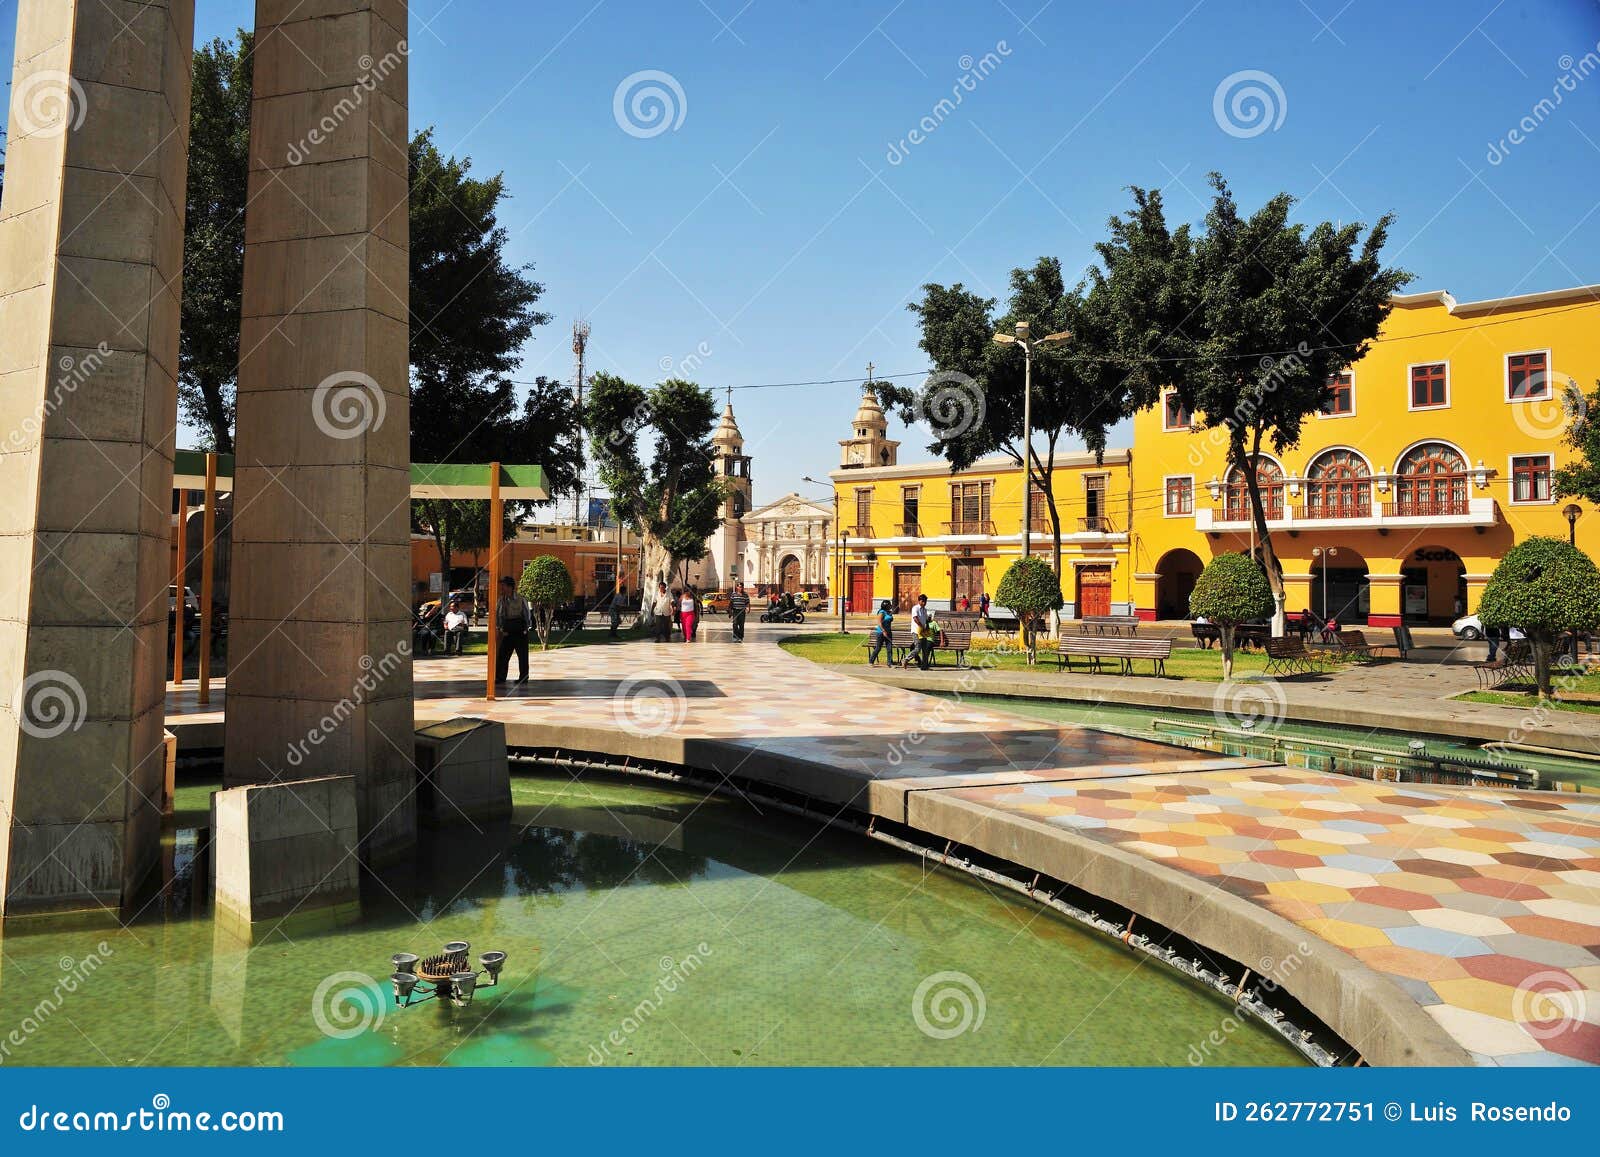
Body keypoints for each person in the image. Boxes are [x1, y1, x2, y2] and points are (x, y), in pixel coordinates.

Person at [495, 575, 531, 684]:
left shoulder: (521, 599)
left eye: (504, 586)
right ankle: (500, 677)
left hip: (520, 629)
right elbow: (499, 615)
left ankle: (523, 678)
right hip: (508, 630)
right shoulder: (502, 600)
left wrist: (526, 628)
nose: (502, 588)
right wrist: (501, 628)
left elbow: (526, 613)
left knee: (523, 656)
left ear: (510, 587)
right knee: (503, 655)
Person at [908, 593, 933, 670]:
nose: (924, 603)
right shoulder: (915, 608)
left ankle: (924, 666)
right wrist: (922, 626)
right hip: (916, 631)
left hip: (923, 632)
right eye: (923, 601)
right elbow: (915, 619)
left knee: (925, 649)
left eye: (925, 601)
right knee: (918, 648)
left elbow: (926, 620)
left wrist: (929, 619)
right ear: (919, 601)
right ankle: (906, 659)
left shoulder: (924, 610)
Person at [867, 599, 894, 665]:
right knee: (878, 647)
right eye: (889, 605)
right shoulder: (881, 612)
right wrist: (883, 631)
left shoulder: (888, 612)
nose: (890, 606)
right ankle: (871, 661)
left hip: (888, 632)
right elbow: (879, 622)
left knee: (889, 648)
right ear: (886, 606)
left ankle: (889, 662)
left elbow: (889, 619)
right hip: (881, 632)